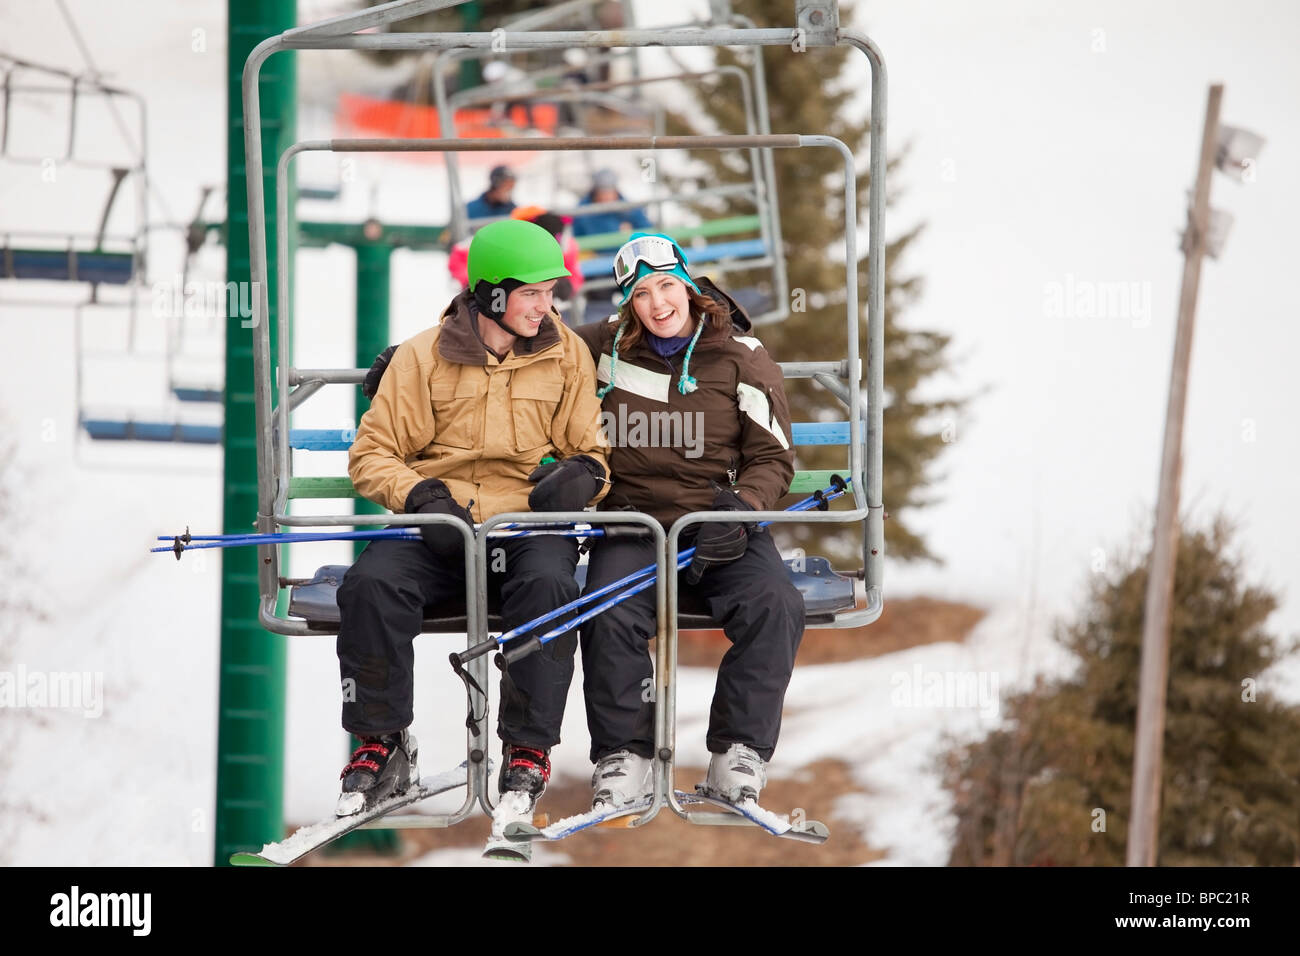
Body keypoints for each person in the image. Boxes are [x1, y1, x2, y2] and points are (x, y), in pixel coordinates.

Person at [336, 218, 611, 818]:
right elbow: (373, 453)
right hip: (442, 523)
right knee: (371, 586)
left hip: (524, 524)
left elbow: (591, 447)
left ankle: (528, 747)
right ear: (492, 295)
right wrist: (421, 499)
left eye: (551, 292)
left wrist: (583, 476)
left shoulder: (566, 356)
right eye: (533, 293)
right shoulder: (422, 358)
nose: (547, 306)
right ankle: (382, 742)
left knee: (550, 586)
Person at [571, 233, 803, 811]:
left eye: (667, 285)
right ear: (628, 303)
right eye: (642, 293)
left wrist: (743, 508)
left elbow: (774, 457)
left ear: (689, 284)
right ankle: (624, 755)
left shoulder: (739, 354)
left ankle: (738, 754)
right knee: (607, 609)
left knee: (775, 603)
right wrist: (415, 354)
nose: (658, 303)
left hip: (717, 521)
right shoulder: (603, 346)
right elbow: (522, 338)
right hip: (634, 525)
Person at [448, 206, 584, 309]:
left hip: (546, 309)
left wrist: (569, 286)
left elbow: (574, 272)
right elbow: (460, 254)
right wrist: (474, 279)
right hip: (500, 307)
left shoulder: (563, 243)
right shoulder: (502, 238)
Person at [570, 168, 653, 252]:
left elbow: (648, 231)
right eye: (603, 192)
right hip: (595, 258)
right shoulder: (584, 211)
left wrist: (632, 234)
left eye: (610, 192)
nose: (607, 196)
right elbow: (577, 239)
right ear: (596, 192)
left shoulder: (628, 208)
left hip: (624, 254)